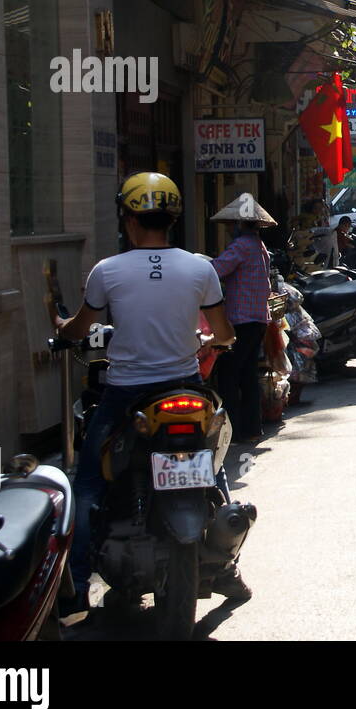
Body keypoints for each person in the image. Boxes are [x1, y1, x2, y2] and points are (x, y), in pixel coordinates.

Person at [53, 172, 245, 619]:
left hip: (125, 395)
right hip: (185, 388)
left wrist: (64, 331)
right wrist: (212, 343)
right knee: (211, 468)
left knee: (87, 484)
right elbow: (222, 332)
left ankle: (76, 591)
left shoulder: (108, 271)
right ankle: (228, 563)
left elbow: (81, 329)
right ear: (173, 217)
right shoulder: (201, 268)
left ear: (128, 218)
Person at [209, 192, 276, 446]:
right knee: (247, 375)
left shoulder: (241, 247)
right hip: (258, 318)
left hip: (242, 321)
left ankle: (233, 431)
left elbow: (215, 270)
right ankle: (251, 428)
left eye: (230, 226)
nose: (228, 230)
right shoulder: (259, 245)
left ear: (238, 224)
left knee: (229, 375)